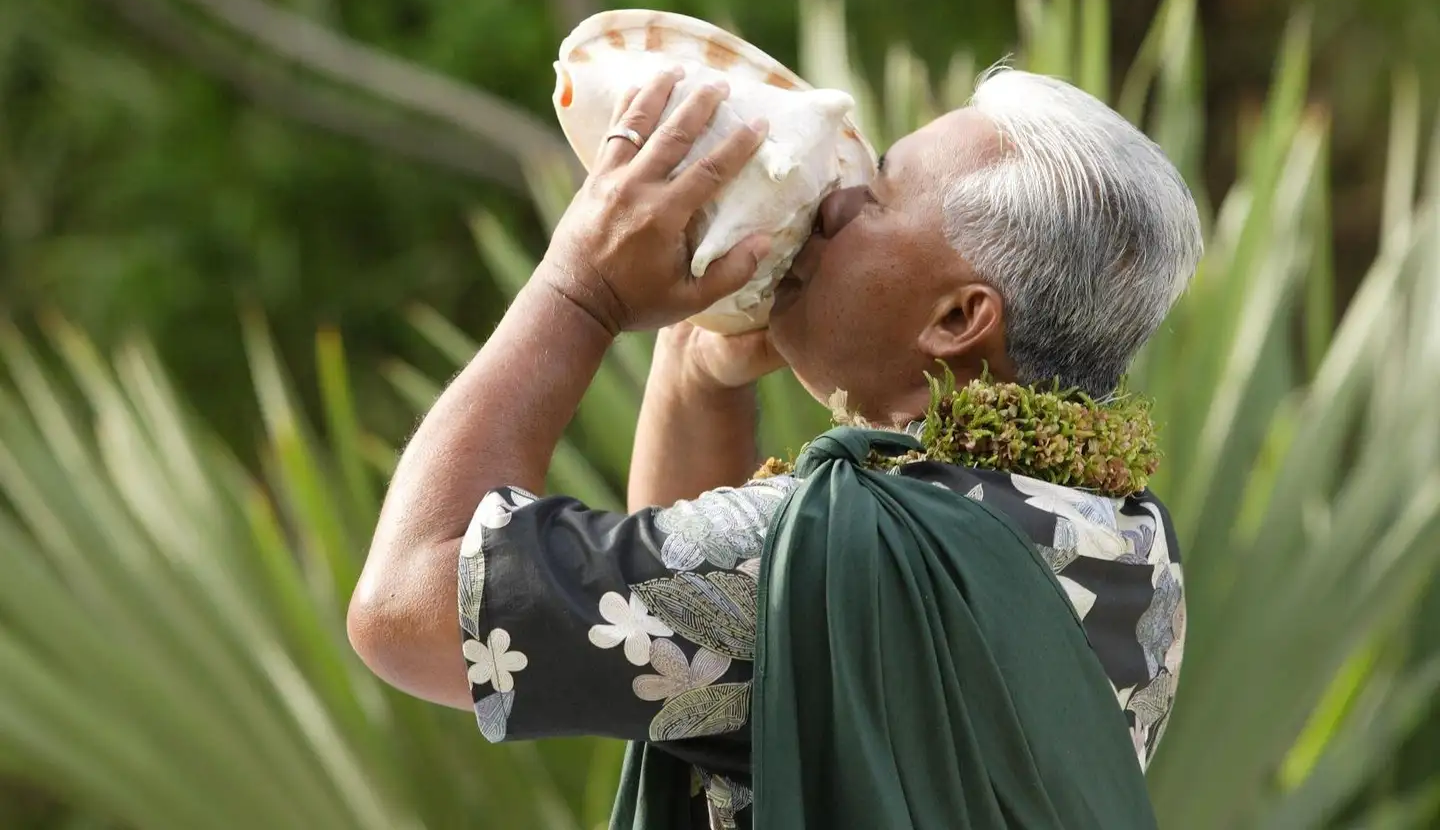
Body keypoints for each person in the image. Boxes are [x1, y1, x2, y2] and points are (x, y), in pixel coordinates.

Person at [348, 64, 1204, 830]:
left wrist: (581, 289)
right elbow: (709, 675)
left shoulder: (842, 556)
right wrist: (698, 375)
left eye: (877, 198)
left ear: (956, 319)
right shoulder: (1134, 556)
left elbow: (408, 608)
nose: (834, 202)